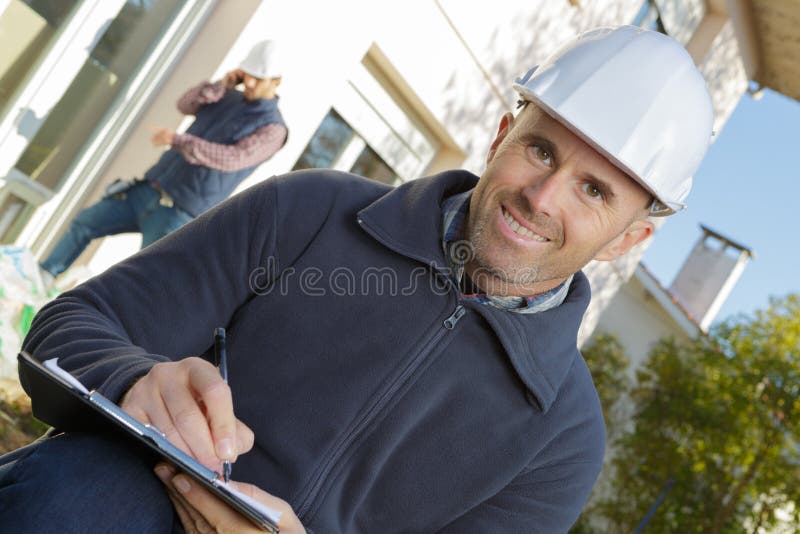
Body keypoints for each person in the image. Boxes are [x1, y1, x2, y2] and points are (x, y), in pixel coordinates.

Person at [1, 26, 713, 533]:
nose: (543, 197)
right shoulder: (310, 210)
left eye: (594, 191)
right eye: (540, 149)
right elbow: (64, 331)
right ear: (501, 136)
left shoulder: (564, 437)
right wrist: (130, 379)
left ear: (631, 239)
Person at [39, 40, 288, 281]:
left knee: (143, 280)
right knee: (86, 222)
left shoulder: (273, 129)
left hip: (179, 214)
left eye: (259, 78)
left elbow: (232, 158)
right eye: (248, 75)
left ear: (277, 82)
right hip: (150, 189)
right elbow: (185, 104)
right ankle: (39, 282)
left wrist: (178, 140)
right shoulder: (226, 96)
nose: (251, 83)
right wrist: (221, 84)